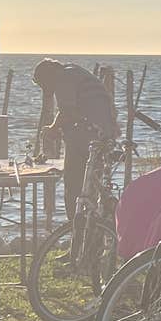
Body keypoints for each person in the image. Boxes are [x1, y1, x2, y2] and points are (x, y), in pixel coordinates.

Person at [32, 60, 120, 219]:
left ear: (50, 74)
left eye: (44, 84)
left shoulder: (63, 78)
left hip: (87, 136)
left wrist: (52, 130)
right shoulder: (75, 72)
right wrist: (58, 127)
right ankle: (96, 232)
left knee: (73, 189)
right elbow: (75, 111)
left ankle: (76, 231)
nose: (46, 90)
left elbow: (67, 112)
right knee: (92, 189)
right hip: (102, 135)